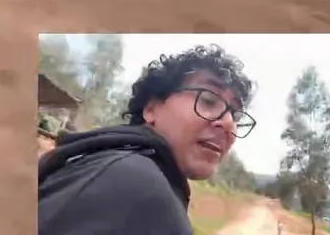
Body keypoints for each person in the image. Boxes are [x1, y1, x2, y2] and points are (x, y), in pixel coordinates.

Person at [38, 45, 256, 235]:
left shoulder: (102, 163)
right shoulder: (137, 186)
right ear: (151, 109)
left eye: (235, 115)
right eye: (208, 100)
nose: (228, 124)